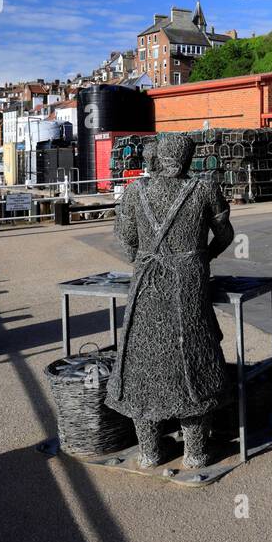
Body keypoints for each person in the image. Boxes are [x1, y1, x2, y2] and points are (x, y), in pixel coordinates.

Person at [105, 132, 234, 469]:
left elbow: (127, 243)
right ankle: (195, 452)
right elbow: (226, 235)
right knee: (192, 355)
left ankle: (149, 452)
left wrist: (148, 257)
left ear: (158, 157)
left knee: (141, 360)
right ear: (188, 158)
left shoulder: (135, 191)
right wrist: (200, 257)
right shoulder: (204, 188)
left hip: (147, 283)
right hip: (189, 281)